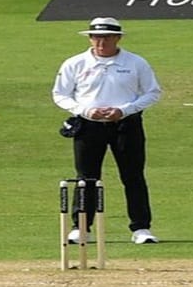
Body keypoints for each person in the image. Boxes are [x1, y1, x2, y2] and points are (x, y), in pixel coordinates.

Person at [52, 16, 162, 245]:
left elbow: (152, 92)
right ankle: (81, 228)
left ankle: (141, 228)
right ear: (90, 38)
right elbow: (60, 94)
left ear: (118, 38)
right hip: (88, 126)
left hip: (126, 124)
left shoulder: (135, 62)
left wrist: (125, 110)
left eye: (107, 37)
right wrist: (84, 110)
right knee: (86, 178)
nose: (101, 42)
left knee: (133, 176)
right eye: (97, 37)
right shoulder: (75, 63)